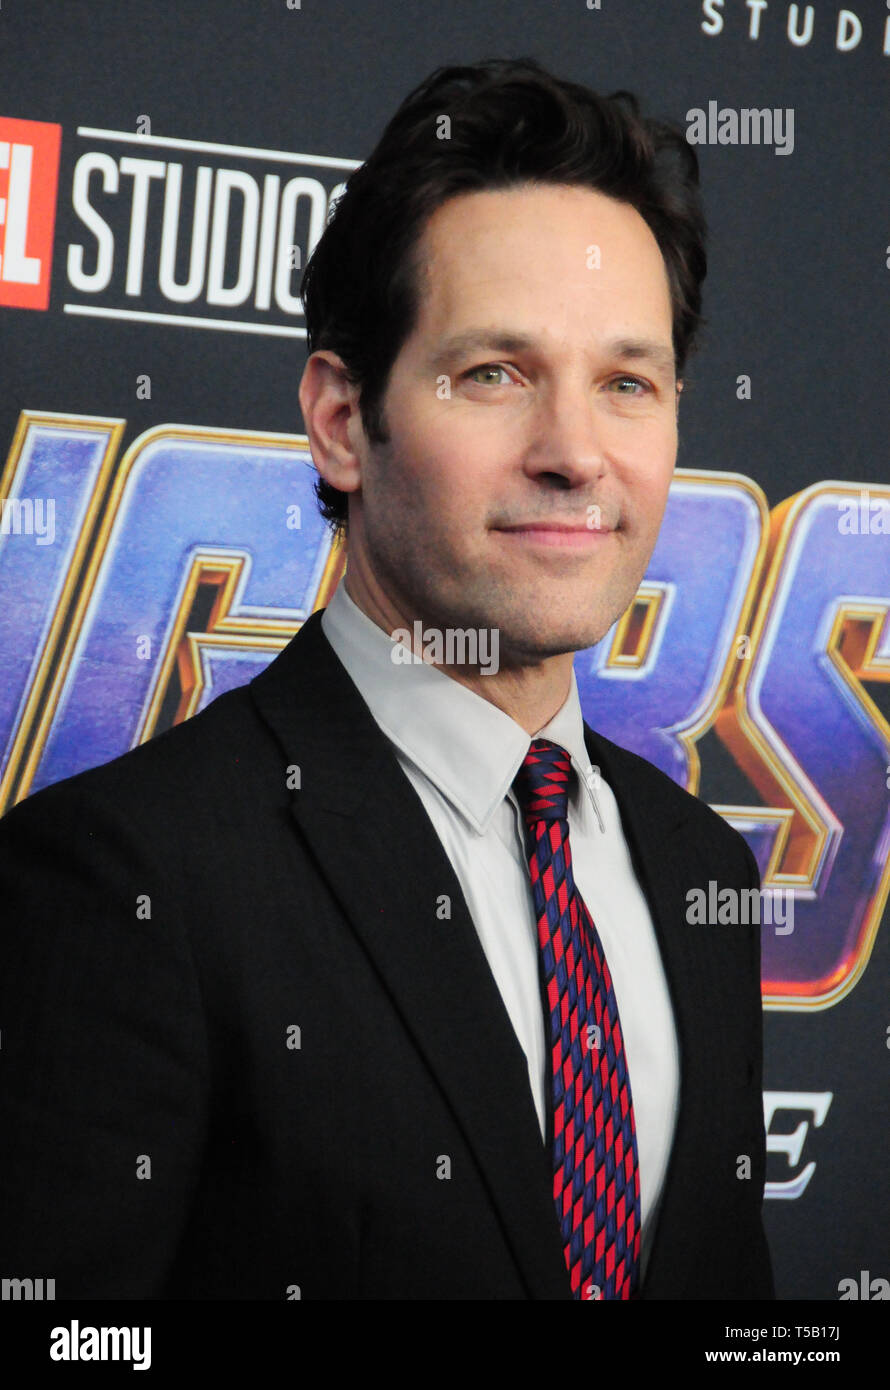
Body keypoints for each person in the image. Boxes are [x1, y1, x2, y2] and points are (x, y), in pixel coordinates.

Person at [0, 57, 773, 1300]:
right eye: (494, 374)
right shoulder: (128, 878)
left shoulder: (699, 873)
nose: (574, 453)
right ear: (342, 424)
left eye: (625, 383)